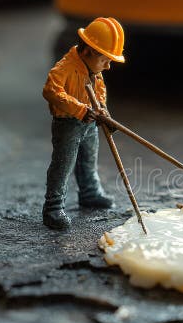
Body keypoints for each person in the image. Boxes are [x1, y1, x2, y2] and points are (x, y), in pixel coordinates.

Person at [41, 17, 125, 230]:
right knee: (63, 164)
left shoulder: (94, 70)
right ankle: (53, 208)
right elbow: (51, 91)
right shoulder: (65, 68)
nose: (107, 67)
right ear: (89, 51)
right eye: (105, 60)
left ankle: (89, 193)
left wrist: (102, 111)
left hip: (89, 123)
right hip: (67, 124)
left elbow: (100, 91)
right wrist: (79, 109)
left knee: (88, 159)